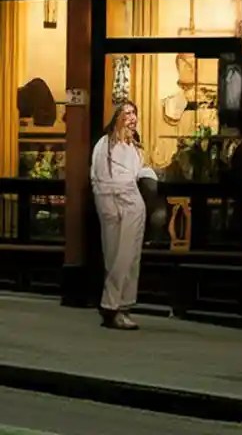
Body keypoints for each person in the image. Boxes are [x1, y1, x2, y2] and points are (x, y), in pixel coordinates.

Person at [90, 100, 152, 331]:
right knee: (116, 256)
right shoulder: (104, 145)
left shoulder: (136, 148)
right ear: (116, 117)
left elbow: (138, 174)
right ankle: (111, 306)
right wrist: (108, 206)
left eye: (134, 113)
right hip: (112, 203)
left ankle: (122, 306)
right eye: (126, 113)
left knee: (130, 256)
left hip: (133, 205)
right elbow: (99, 179)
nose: (132, 117)